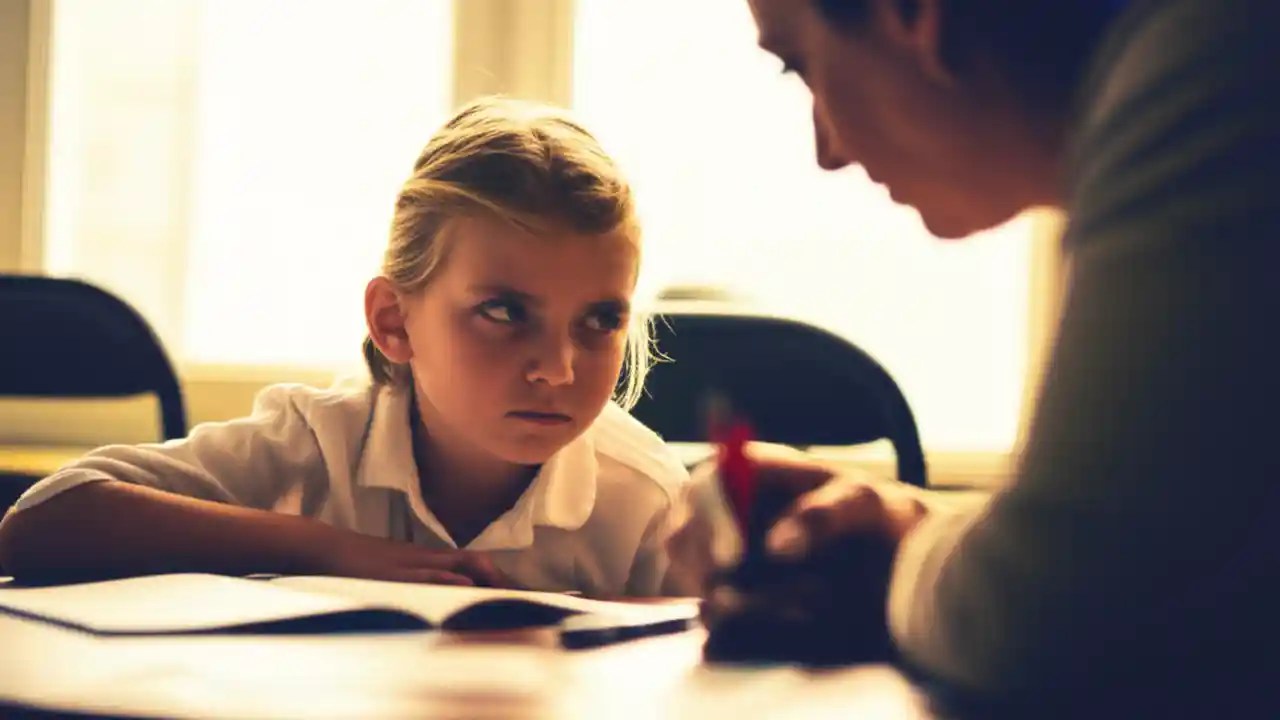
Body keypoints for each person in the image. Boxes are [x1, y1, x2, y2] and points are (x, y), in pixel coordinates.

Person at [702, 0, 1280, 712]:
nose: (828, 150)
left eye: (799, 65)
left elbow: (1057, 616)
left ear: (912, 14)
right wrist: (916, 530)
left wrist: (891, 562)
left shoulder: (1221, 65)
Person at [0, 97, 690, 598]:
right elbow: (39, 521)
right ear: (395, 321)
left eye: (599, 321)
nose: (557, 369)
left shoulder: (644, 496)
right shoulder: (315, 440)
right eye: (505, 311)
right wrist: (330, 551)